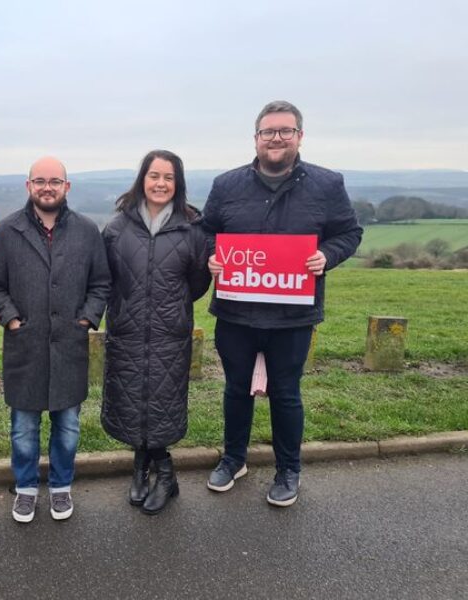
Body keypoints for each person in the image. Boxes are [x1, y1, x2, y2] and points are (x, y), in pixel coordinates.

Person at [201, 100, 362, 506]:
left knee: (286, 393)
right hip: (236, 312)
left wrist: (328, 256)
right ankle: (234, 458)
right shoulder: (226, 185)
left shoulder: (328, 184)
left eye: (285, 131)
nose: (276, 138)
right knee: (236, 389)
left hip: (293, 315)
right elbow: (206, 232)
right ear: (256, 138)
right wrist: (211, 257)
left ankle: (289, 470)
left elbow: (349, 233)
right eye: (268, 132)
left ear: (299, 137)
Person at [0, 156, 111, 523]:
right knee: (23, 427)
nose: (47, 187)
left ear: (67, 187)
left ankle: (60, 487)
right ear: (29, 186)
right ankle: (24, 489)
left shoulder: (87, 231)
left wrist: (86, 318)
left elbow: (101, 283)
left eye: (55, 181)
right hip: (25, 344)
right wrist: (11, 320)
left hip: (69, 345)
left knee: (67, 426)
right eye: (40, 180)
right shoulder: (8, 231)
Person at [101, 150, 211, 515]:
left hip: (169, 334)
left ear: (177, 184)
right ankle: (142, 466)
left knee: (161, 404)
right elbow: (106, 280)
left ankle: (163, 474)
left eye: (168, 177)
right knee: (135, 401)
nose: (160, 183)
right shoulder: (117, 228)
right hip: (128, 331)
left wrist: (167, 308)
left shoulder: (192, 230)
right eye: (154, 175)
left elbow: (196, 284)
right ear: (142, 180)